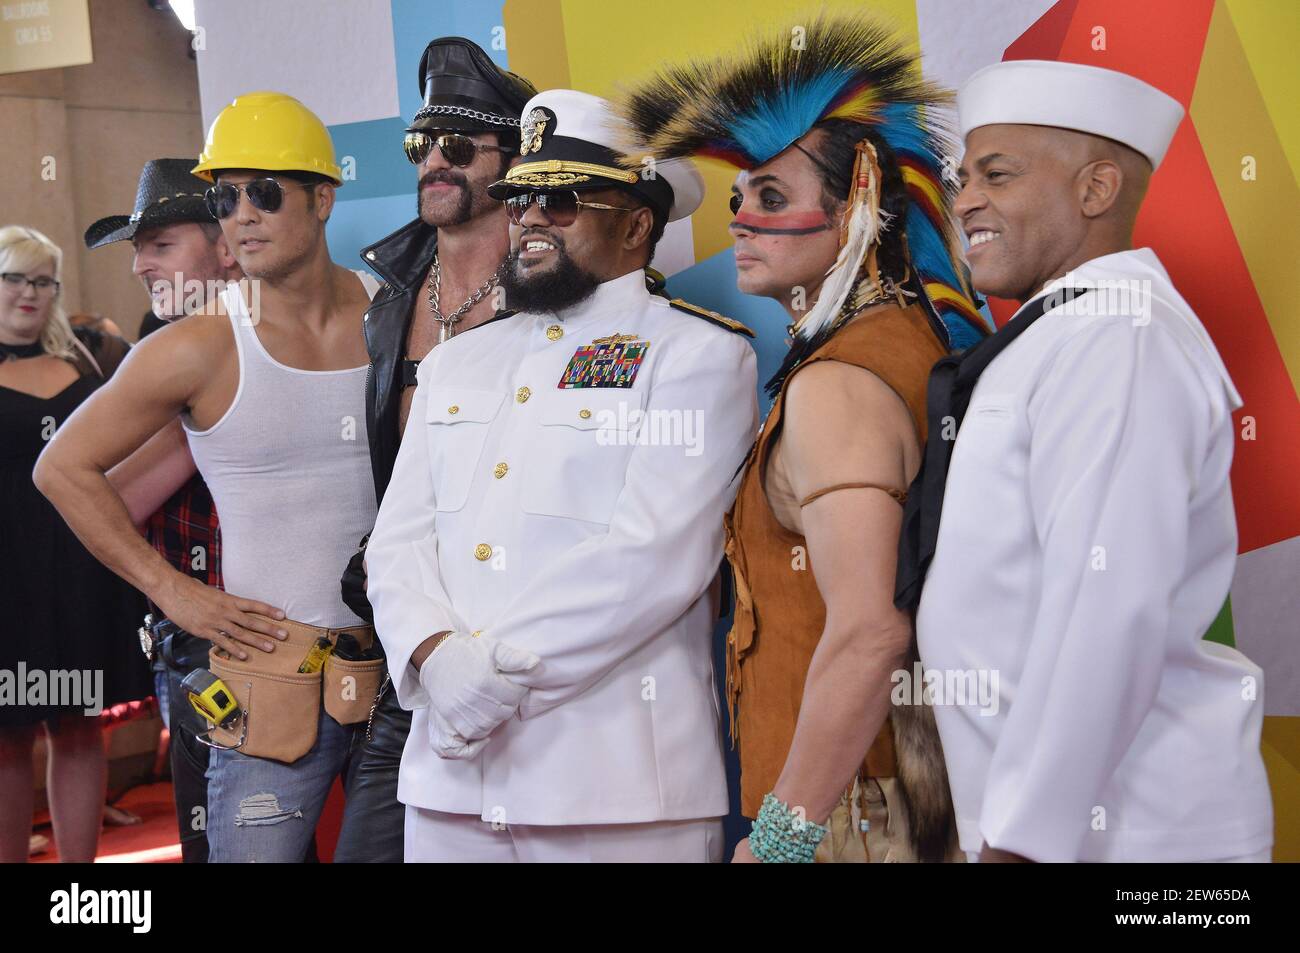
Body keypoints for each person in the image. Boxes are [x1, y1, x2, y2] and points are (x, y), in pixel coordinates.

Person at [618, 13, 985, 862]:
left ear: (856, 205)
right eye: (743, 198)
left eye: (773, 198)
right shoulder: (905, 341)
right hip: (886, 800)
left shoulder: (837, 386)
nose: (741, 219)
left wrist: (780, 836)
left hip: (851, 817)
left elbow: (869, 633)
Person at [896, 59, 1274, 862]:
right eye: (965, 177)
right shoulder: (1064, 332)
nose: (964, 200)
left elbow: (1108, 609)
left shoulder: (1118, 337)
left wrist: (1021, 842)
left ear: (1096, 190)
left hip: (1134, 841)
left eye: (996, 174)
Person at [365, 89, 758, 862]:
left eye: (564, 199)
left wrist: (486, 679)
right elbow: (397, 541)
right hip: (449, 784)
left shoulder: (700, 355)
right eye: (522, 198)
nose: (533, 217)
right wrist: (437, 657)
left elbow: (655, 555)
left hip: (616, 791)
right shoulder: (454, 362)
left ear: (638, 223)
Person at [35, 92, 382, 863]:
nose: (244, 215)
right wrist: (176, 593)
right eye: (227, 197)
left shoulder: (390, 314)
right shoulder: (195, 345)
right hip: (265, 679)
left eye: (266, 192)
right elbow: (62, 468)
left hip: (394, 674)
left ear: (324, 199)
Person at [334, 36, 535, 863]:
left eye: (459, 146)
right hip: (406, 646)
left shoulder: (556, 300)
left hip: (517, 647)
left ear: (517, 161)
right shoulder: (390, 301)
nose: (435, 163)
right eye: (422, 145)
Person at [82, 156, 243, 863]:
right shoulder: (166, 345)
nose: (142, 265)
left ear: (225, 242)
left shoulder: (266, 333)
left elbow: (116, 494)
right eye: (139, 249)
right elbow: (104, 495)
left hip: (270, 637)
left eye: (161, 244)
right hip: (196, 639)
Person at [0, 225, 150, 862]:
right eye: (14, 277)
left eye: (42, 281)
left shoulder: (84, 364)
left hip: (80, 566)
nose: (28, 293)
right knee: (7, 737)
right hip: (7, 575)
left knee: (80, 726)